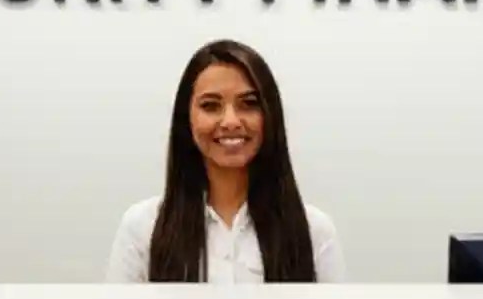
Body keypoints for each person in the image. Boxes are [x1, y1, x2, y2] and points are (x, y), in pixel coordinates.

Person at [105, 39, 345, 283]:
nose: (231, 121)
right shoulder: (142, 228)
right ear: (186, 118)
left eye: (249, 104)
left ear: (269, 115)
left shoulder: (314, 231)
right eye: (211, 106)